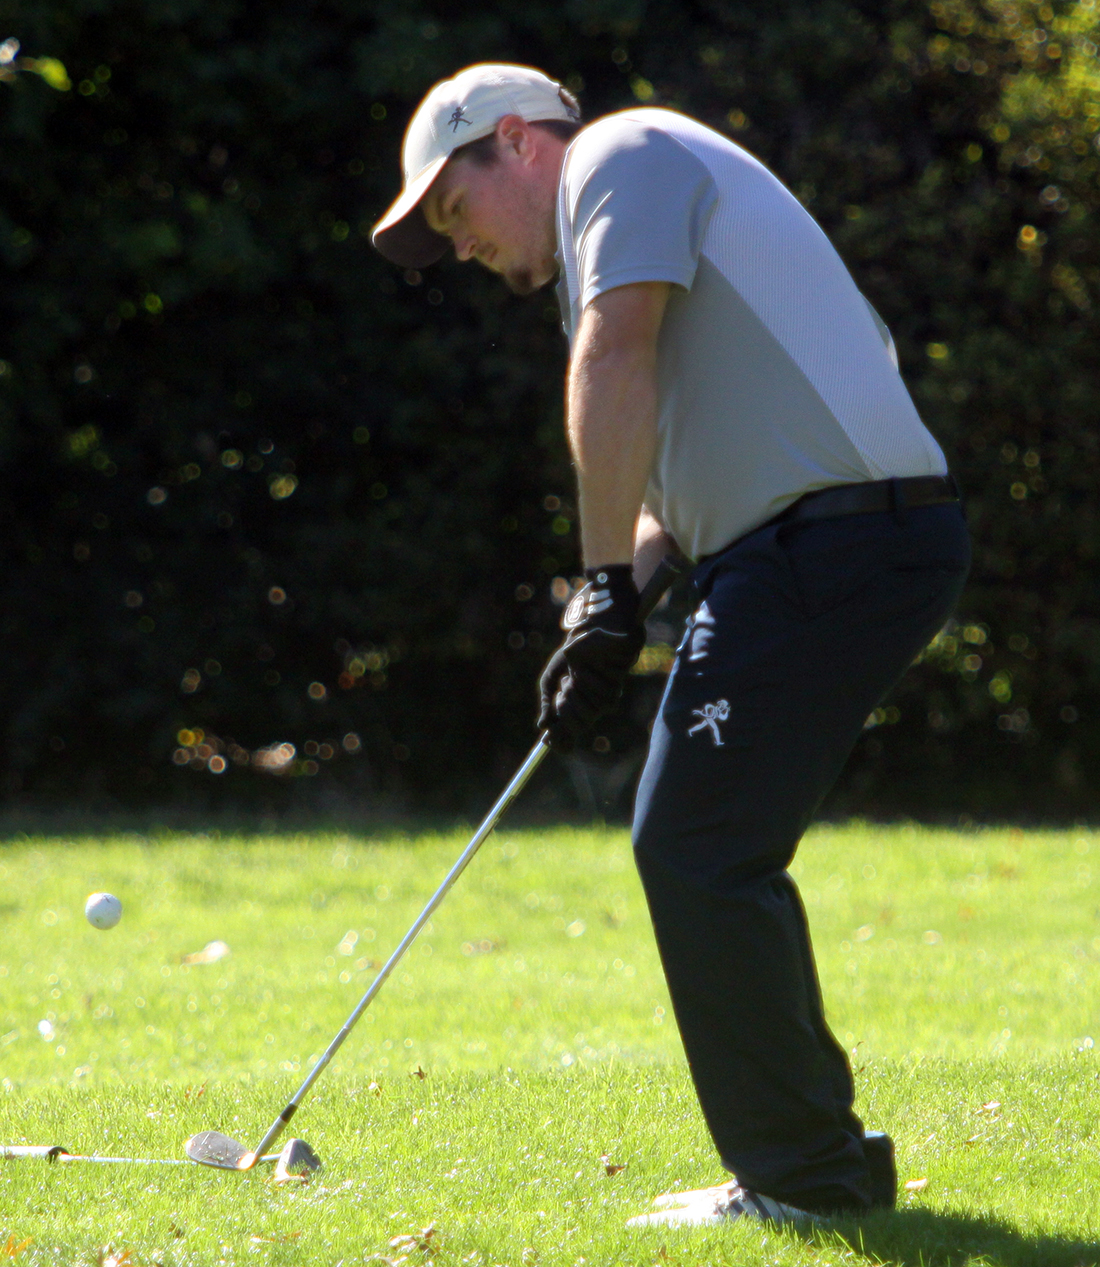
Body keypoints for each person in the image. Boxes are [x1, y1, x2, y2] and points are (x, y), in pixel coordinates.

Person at [372, 63, 970, 1227]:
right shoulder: (629, 197)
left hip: (828, 547)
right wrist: (603, 613)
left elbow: (614, 360)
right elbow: (671, 462)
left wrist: (603, 590)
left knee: (697, 844)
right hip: (818, 546)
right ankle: (817, 1161)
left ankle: (806, 1177)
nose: (468, 252)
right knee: (704, 839)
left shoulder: (621, 155)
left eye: (456, 211)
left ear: (516, 142)